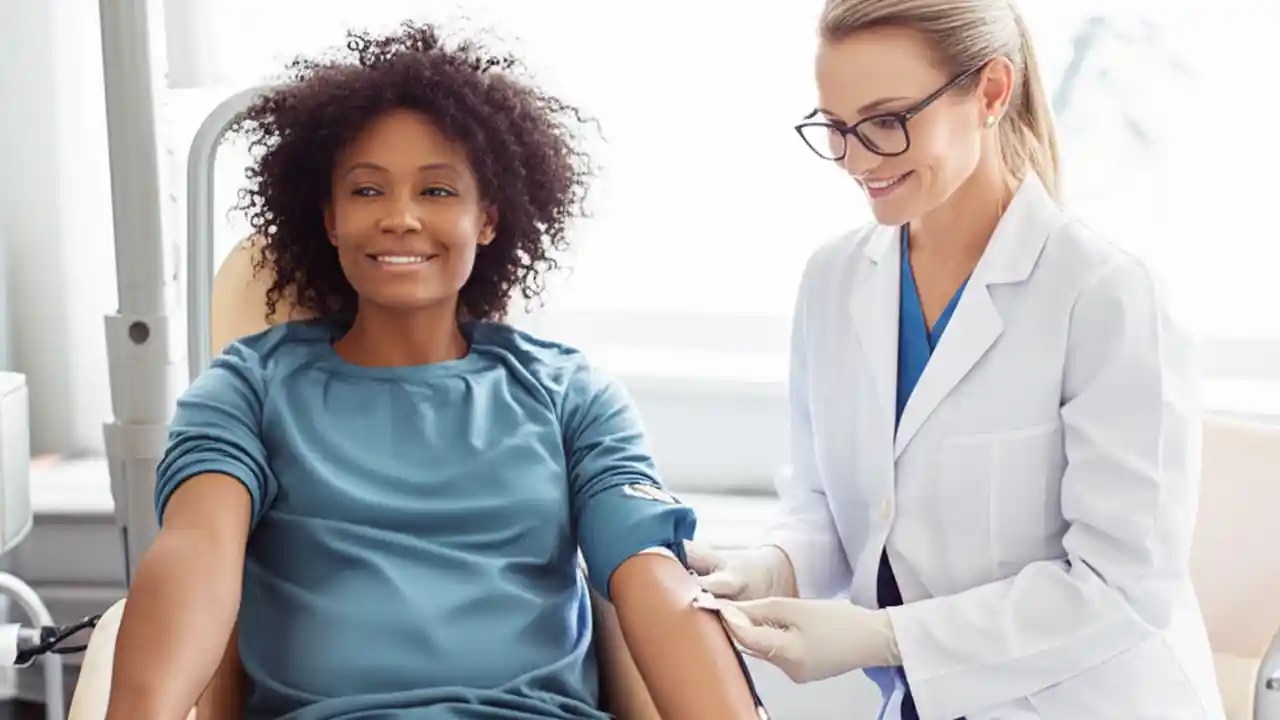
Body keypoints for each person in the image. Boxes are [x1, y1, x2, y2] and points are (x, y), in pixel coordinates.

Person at [104, 22, 761, 720]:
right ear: (327, 219)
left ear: (488, 219)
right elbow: (195, 558)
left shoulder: (570, 392)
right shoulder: (248, 389)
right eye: (366, 192)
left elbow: (652, 575)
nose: (401, 218)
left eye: (439, 191)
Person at [687, 1, 1224, 718]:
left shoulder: (1104, 295)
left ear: (992, 92)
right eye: (837, 128)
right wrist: (771, 567)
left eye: (886, 121)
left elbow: (1120, 586)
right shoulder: (833, 280)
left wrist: (885, 636)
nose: (856, 160)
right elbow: (827, 506)